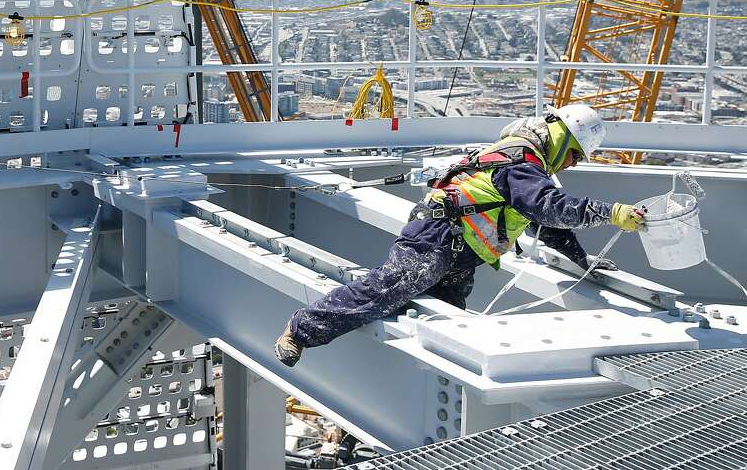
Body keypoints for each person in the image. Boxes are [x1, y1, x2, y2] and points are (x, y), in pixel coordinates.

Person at [274, 104, 646, 367]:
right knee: (389, 288)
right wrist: (609, 213)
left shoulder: (528, 167)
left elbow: (546, 225)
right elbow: (547, 206)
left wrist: (584, 261)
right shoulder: (521, 162)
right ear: (562, 139)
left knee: (447, 321)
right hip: (437, 236)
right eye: (575, 155)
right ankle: (301, 329)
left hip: (459, 253)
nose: (571, 164)